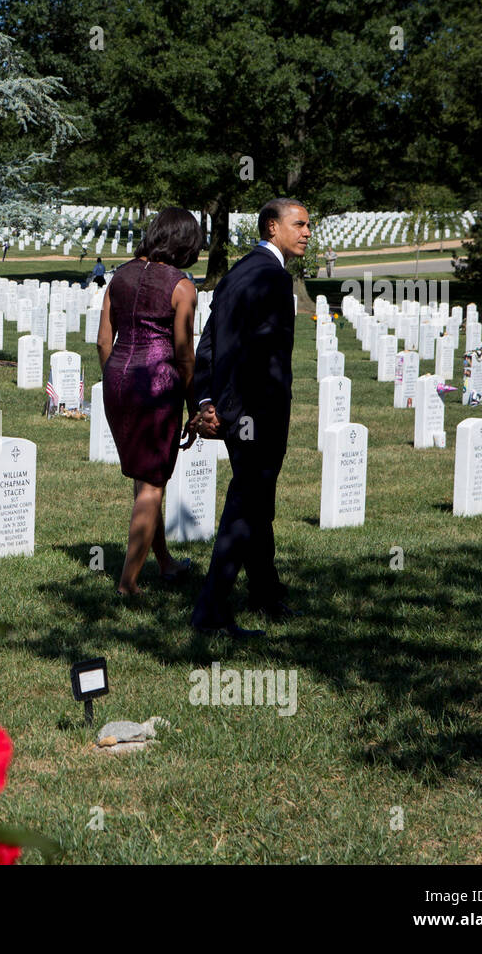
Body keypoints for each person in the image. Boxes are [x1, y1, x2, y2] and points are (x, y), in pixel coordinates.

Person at [189, 198, 310, 637]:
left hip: (231, 410)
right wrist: (242, 411)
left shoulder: (235, 274)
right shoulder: (275, 278)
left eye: (308, 225)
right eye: (299, 224)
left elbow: (210, 346)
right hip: (257, 413)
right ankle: (211, 612)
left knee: (258, 505)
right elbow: (264, 358)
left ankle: (265, 593)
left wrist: (206, 402)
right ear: (272, 227)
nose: (307, 232)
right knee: (244, 507)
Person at [96, 207, 203, 596]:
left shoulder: (117, 277)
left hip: (117, 379)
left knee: (145, 478)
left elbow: (103, 341)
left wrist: (115, 379)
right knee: (153, 484)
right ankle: (128, 584)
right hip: (157, 386)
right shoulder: (182, 287)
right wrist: (194, 404)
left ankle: (164, 561)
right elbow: (184, 353)